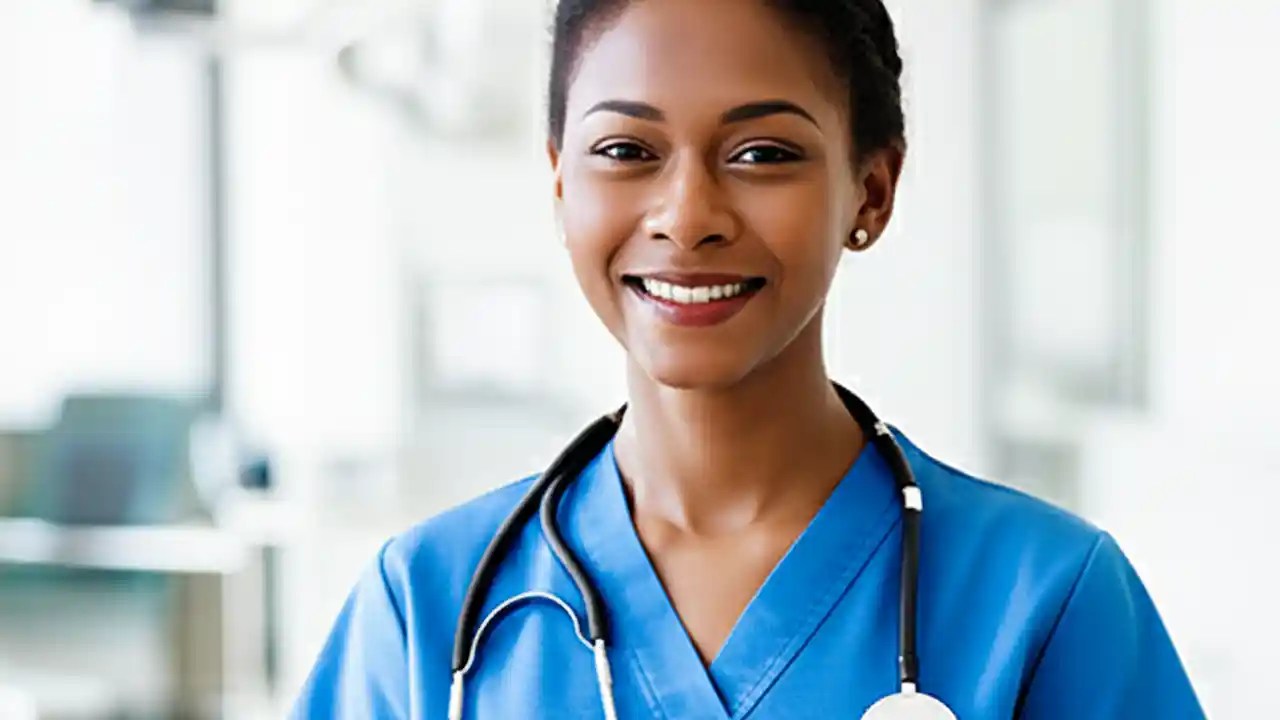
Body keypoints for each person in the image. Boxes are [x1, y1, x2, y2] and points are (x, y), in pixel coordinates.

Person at [290, 0, 1204, 717]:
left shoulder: (1042, 601)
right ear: (562, 179)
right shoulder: (427, 609)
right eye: (626, 150)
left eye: (763, 153)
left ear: (872, 190)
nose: (687, 216)